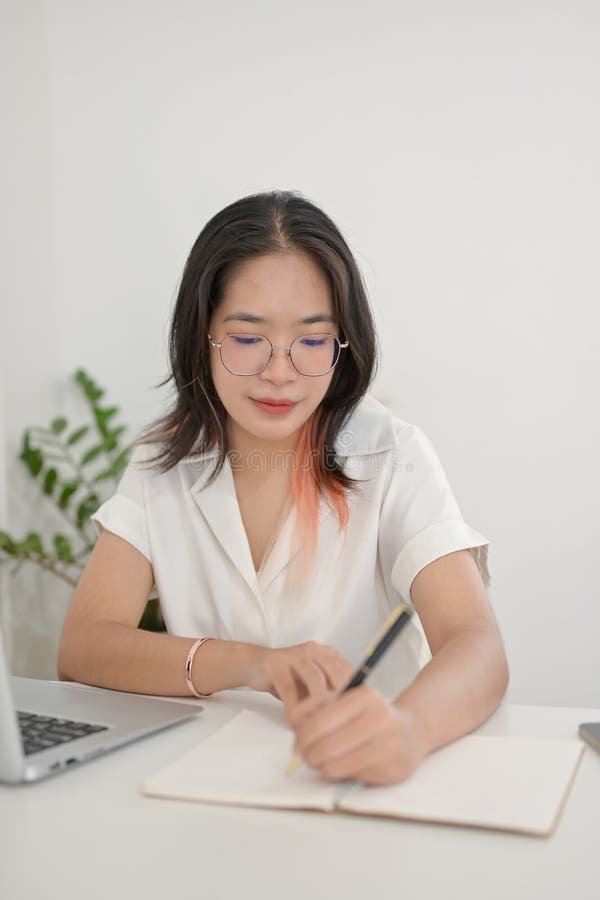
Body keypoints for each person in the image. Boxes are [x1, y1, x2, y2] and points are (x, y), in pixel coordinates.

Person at [58, 189, 509, 786]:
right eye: (247, 339)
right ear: (203, 338)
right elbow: (84, 646)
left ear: (343, 345)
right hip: (212, 783)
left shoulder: (390, 454)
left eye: (312, 340)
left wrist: (410, 730)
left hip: (367, 787)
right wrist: (249, 664)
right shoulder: (161, 462)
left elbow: (477, 645)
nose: (279, 370)